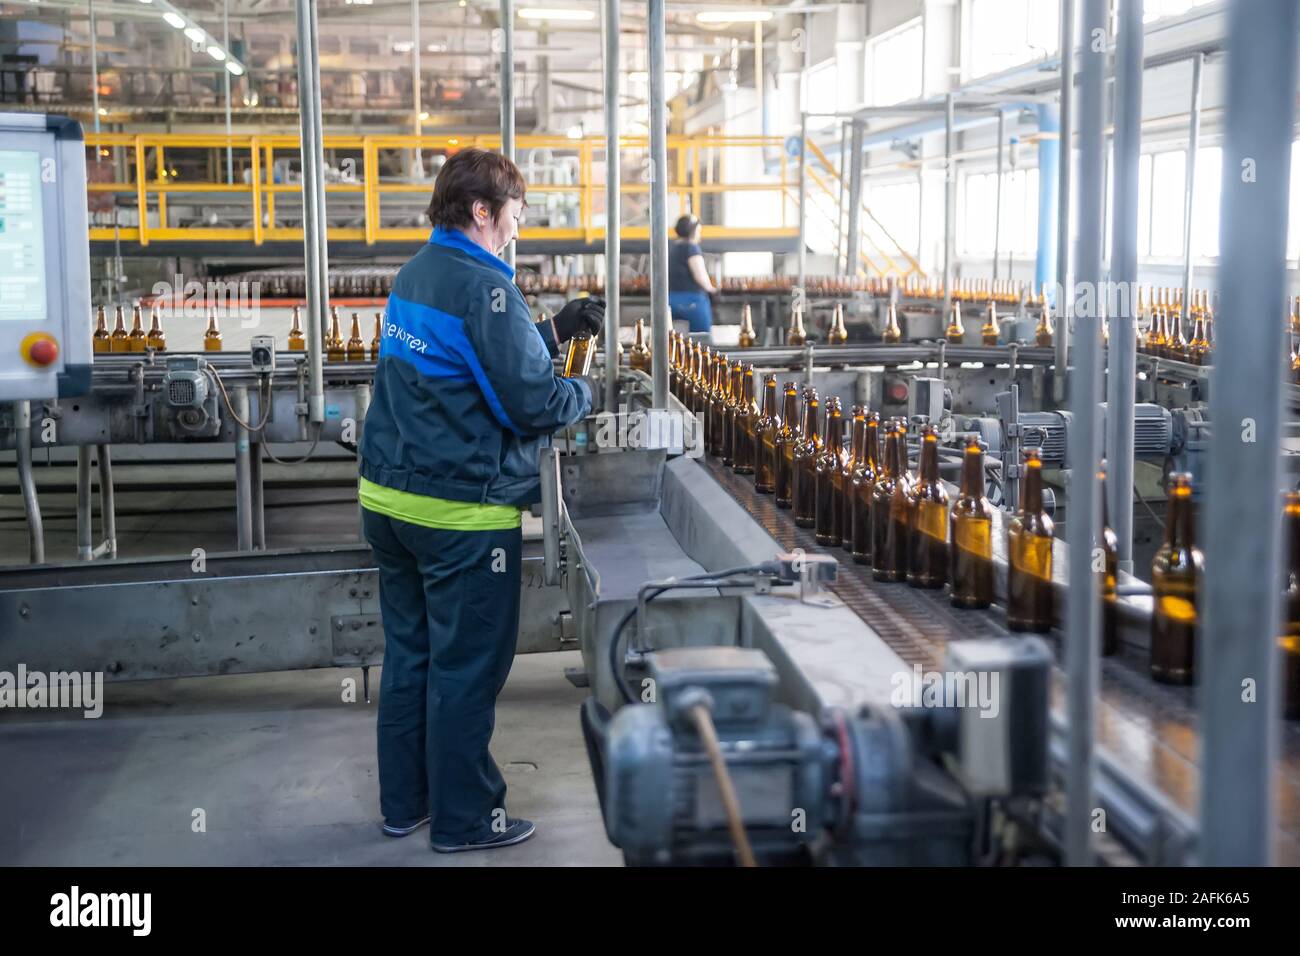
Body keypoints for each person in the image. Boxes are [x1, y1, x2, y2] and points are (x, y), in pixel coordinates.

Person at [358, 147, 604, 853]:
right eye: (513, 220)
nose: (515, 235)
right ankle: (467, 819)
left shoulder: (417, 273)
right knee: (466, 669)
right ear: (481, 212)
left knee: (412, 659)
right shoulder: (483, 284)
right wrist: (585, 392)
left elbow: (465, 358)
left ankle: (405, 805)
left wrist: (552, 331)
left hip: (388, 503)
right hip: (457, 515)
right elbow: (531, 403)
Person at [668, 213, 717, 334]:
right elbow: (700, 275)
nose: (699, 235)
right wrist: (712, 289)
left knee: (674, 341)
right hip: (692, 301)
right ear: (692, 231)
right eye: (698, 231)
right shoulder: (691, 248)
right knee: (701, 339)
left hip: (671, 299)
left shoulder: (671, 247)